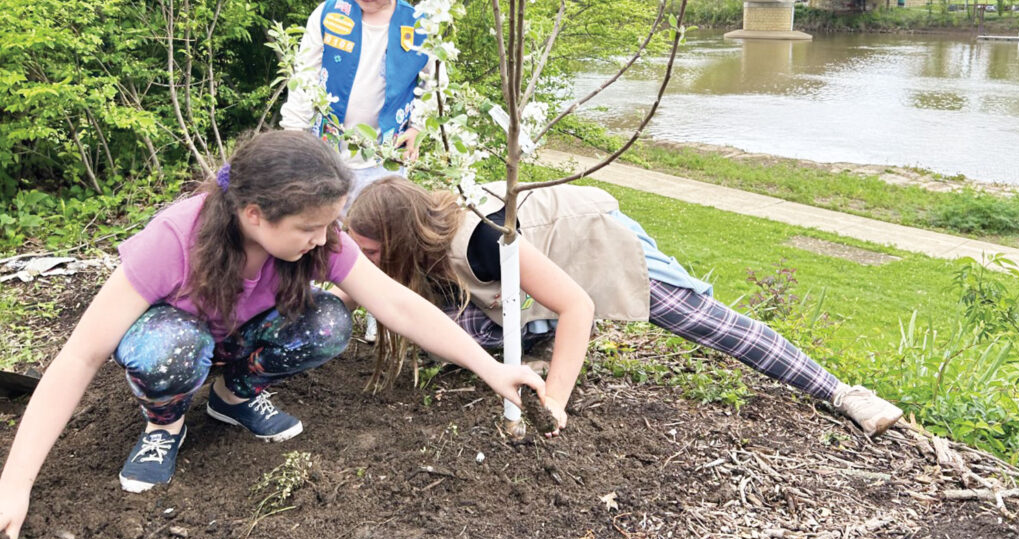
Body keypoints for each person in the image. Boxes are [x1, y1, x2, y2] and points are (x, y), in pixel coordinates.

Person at [0, 132, 542, 539]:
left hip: (242, 343)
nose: (325, 239)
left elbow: (396, 304)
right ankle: (165, 423)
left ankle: (234, 398)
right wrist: (15, 482)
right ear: (254, 215)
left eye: (330, 224)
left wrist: (490, 369)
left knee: (330, 321)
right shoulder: (173, 240)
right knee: (166, 349)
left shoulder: (318, 239)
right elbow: (80, 355)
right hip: (179, 346)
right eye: (311, 227)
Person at [345, 177, 903, 438]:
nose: (364, 259)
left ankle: (841, 392)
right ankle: (536, 353)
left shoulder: (485, 240)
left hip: (592, 237)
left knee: (703, 322)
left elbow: (579, 304)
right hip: (536, 267)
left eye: (370, 250)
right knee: (445, 325)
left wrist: (554, 403)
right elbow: (368, 286)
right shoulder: (427, 243)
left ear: (397, 236)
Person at [280, 0, 439, 196]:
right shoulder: (328, 15)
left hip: (385, 161)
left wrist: (418, 127)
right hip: (324, 156)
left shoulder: (419, 26)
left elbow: (433, 86)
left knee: (376, 231)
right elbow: (305, 77)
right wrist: (293, 135)